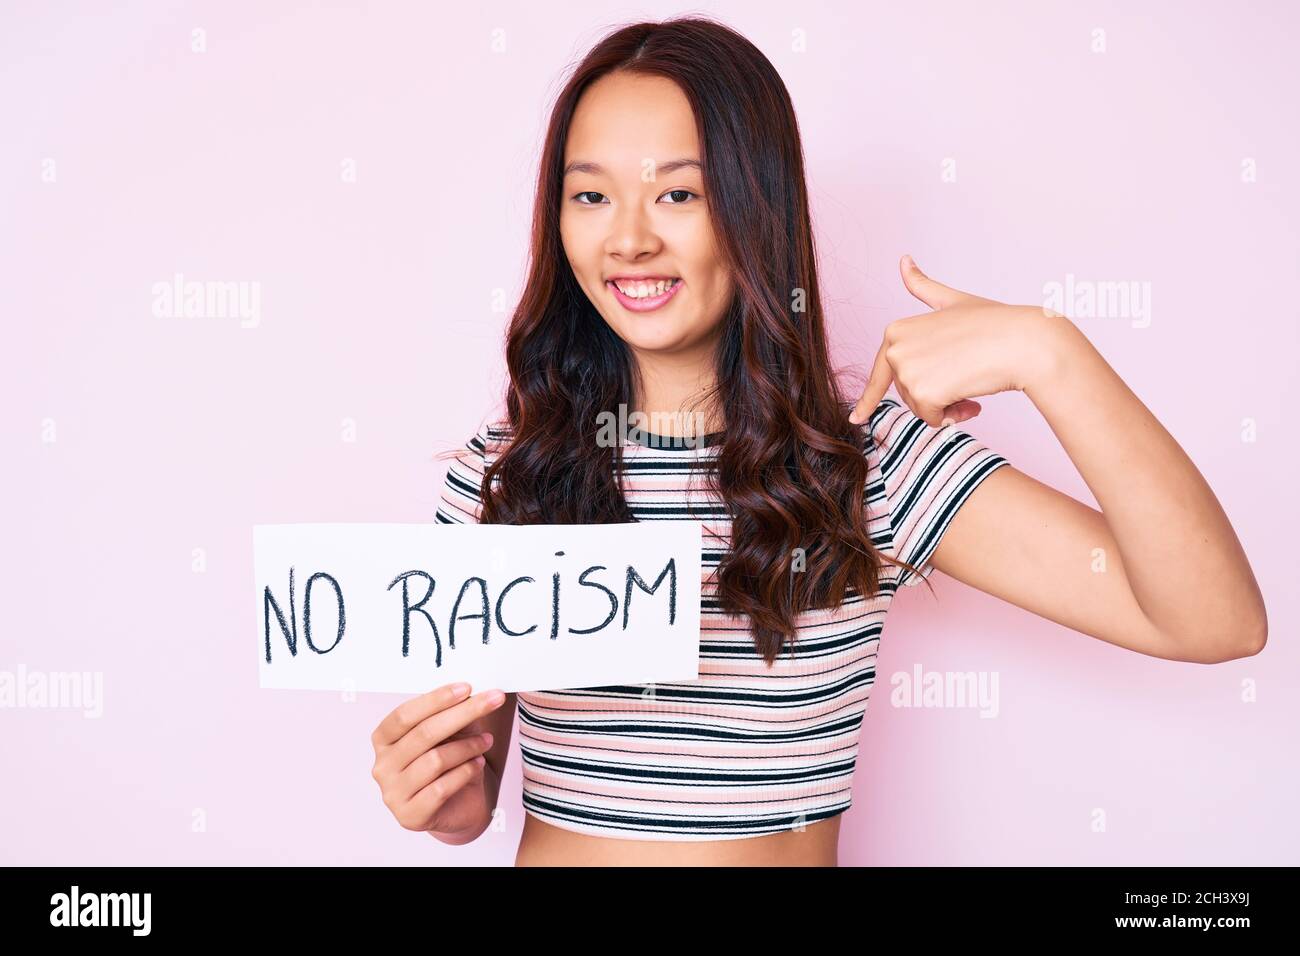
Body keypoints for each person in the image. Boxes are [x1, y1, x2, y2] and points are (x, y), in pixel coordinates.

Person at [369, 16, 1267, 867]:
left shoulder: (866, 471)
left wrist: (1054, 355)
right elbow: (471, 776)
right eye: (591, 194)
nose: (630, 237)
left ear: (755, 210)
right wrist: (448, 798)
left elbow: (1213, 619)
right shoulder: (500, 480)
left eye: (678, 192)